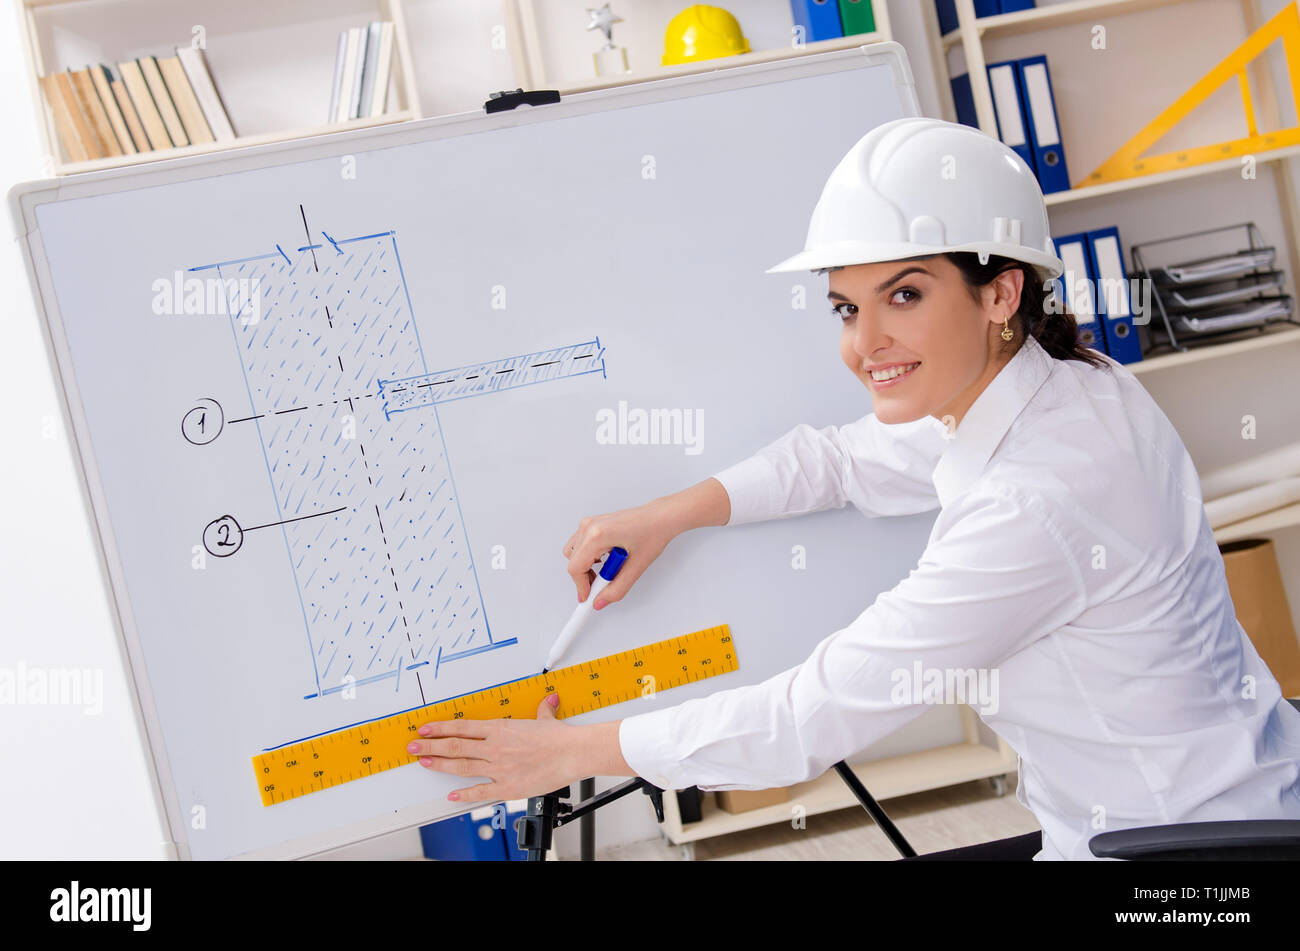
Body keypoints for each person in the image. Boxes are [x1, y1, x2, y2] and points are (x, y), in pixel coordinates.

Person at [405, 117, 1300, 860]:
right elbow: (842, 460)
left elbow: (810, 716)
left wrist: (575, 749)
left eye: (903, 295)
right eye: (846, 306)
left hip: (1181, 866)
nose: (863, 341)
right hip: (1231, 796)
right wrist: (672, 513)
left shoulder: (1034, 501)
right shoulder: (1068, 382)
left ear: (1000, 292)